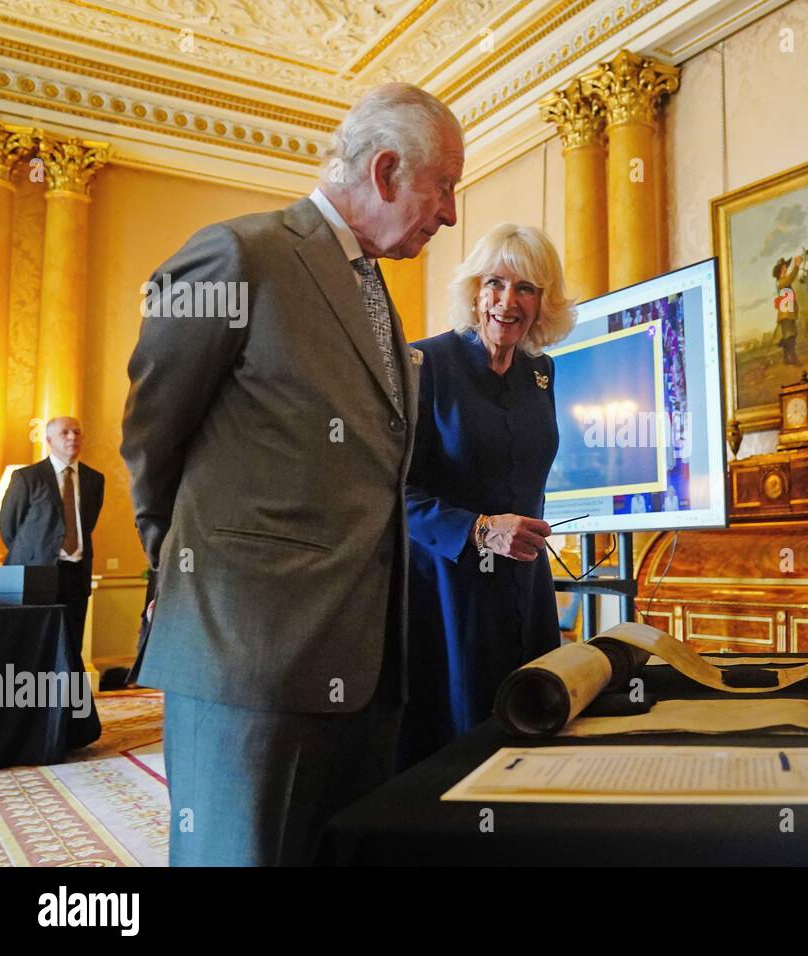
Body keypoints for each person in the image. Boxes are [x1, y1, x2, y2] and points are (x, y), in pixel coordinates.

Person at [120, 82, 464, 865]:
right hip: (250, 659)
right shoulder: (240, 255)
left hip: (364, 663)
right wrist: (196, 574)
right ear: (384, 172)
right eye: (444, 185)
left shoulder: (375, 289)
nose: (449, 212)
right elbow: (151, 435)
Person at [398, 222, 575, 767]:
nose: (507, 301)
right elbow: (393, 491)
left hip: (525, 586)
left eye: (526, 288)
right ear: (474, 290)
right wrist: (479, 529)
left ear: (543, 302)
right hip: (447, 592)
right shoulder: (424, 365)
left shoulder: (541, 373)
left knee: (534, 731)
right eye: (495, 283)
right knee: (461, 745)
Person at [0, 417, 104, 663]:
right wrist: (36, 552)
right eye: (65, 433)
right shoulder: (27, 477)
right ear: (48, 440)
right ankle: (29, 699)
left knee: (70, 644)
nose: (72, 437)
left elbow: (87, 522)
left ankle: (65, 700)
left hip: (76, 573)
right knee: (32, 643)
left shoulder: (94, 479)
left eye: (77, 432)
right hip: (35, 573)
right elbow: (9, 528)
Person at [772, 255, 802, 365]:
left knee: (788, 337)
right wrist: (797, 266)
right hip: (786, 314)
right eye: (783, 267)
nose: (785, 269)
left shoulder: (784, 281)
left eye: (785, 267)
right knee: (791, 336)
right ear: (780, 270)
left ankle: (786, 359)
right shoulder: (781, 282)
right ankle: (794, 359)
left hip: (789, 313)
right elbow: (790, 278)